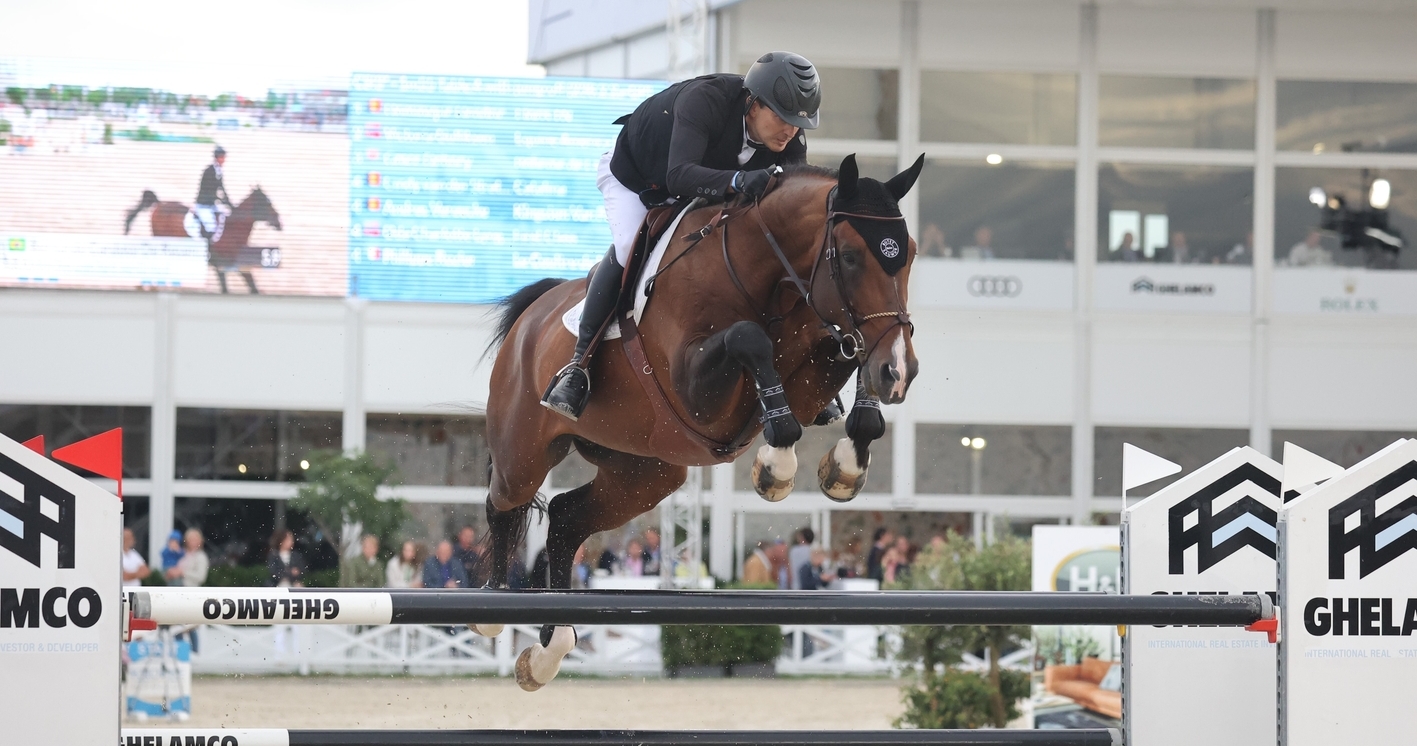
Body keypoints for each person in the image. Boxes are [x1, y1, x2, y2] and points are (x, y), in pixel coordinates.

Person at [540, 51, 822, 420]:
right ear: (752, 105)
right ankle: (578, 365)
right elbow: (679, 175)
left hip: (699, 188)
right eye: (782, 118)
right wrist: (738, 180)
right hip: (638, 180)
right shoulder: (705, 101)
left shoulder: (790, 141)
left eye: (798, 123)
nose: (791, 130)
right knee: (630, 247)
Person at [193, 146, 232, 241]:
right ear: (217, 158)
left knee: (224, 216)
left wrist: (229, 203)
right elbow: (208, 190)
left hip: (211, 204)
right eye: (222, 158)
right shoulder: (209, 171)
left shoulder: (218, 171)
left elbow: (222, 188)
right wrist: (219, 200)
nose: (224, 160)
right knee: (211, 226)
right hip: (203, 204)